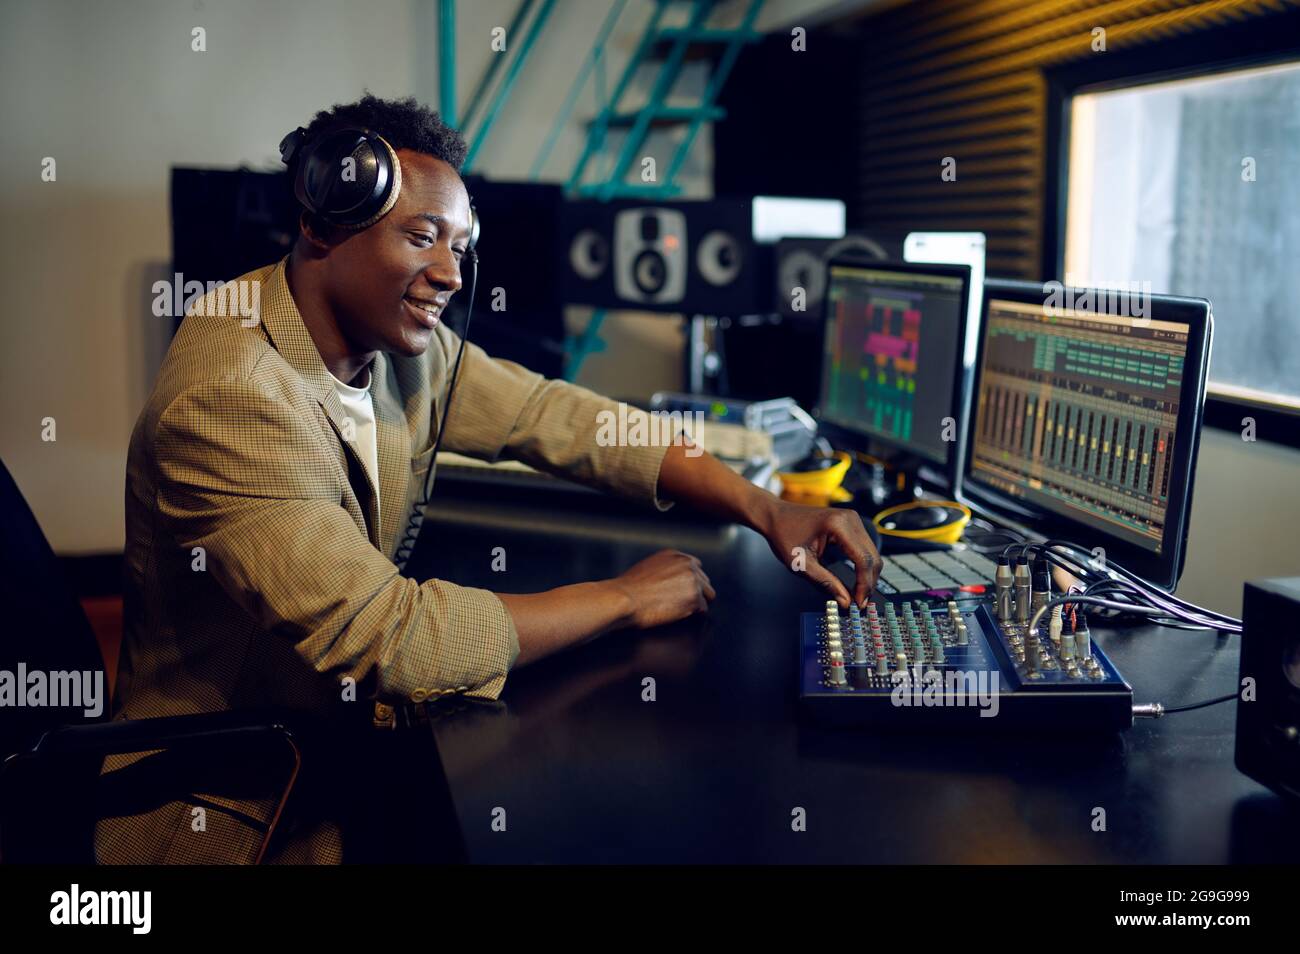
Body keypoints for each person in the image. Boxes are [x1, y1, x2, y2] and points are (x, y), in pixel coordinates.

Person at [96, 94, 879, 864]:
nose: (449, 274)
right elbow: (388, 639)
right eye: (421, 237)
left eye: (460, 248)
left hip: (331, 747)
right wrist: (625, 598)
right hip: (237, 806)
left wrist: (762, 505)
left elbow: (552, 415)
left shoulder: (397, 349)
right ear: (321, 222)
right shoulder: (229, 397)